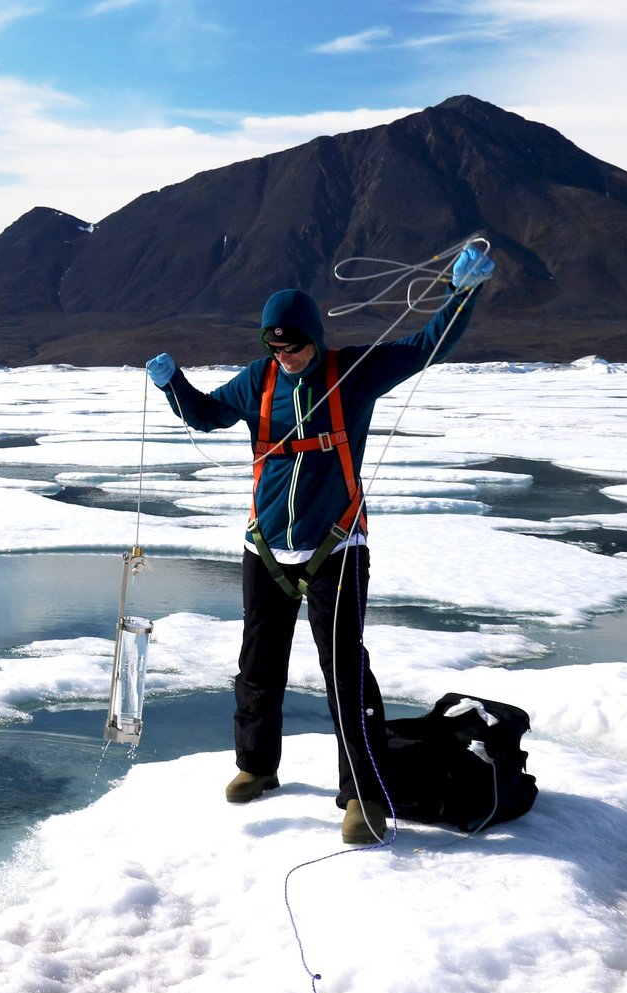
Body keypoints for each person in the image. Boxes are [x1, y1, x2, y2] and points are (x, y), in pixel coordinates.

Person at [143, 244, 495, 844]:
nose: (285, 357)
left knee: (344, 674)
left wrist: (460, 293)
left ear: (314, 336)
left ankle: (362, 795)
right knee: (258, 664)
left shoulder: (352, 374)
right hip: (265, 548)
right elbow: (207, 416)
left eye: (295, 345)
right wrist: (174, 385)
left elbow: (424, 346)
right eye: (274, 347)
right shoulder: (258, 381)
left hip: (337, 547)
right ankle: (257, 766)